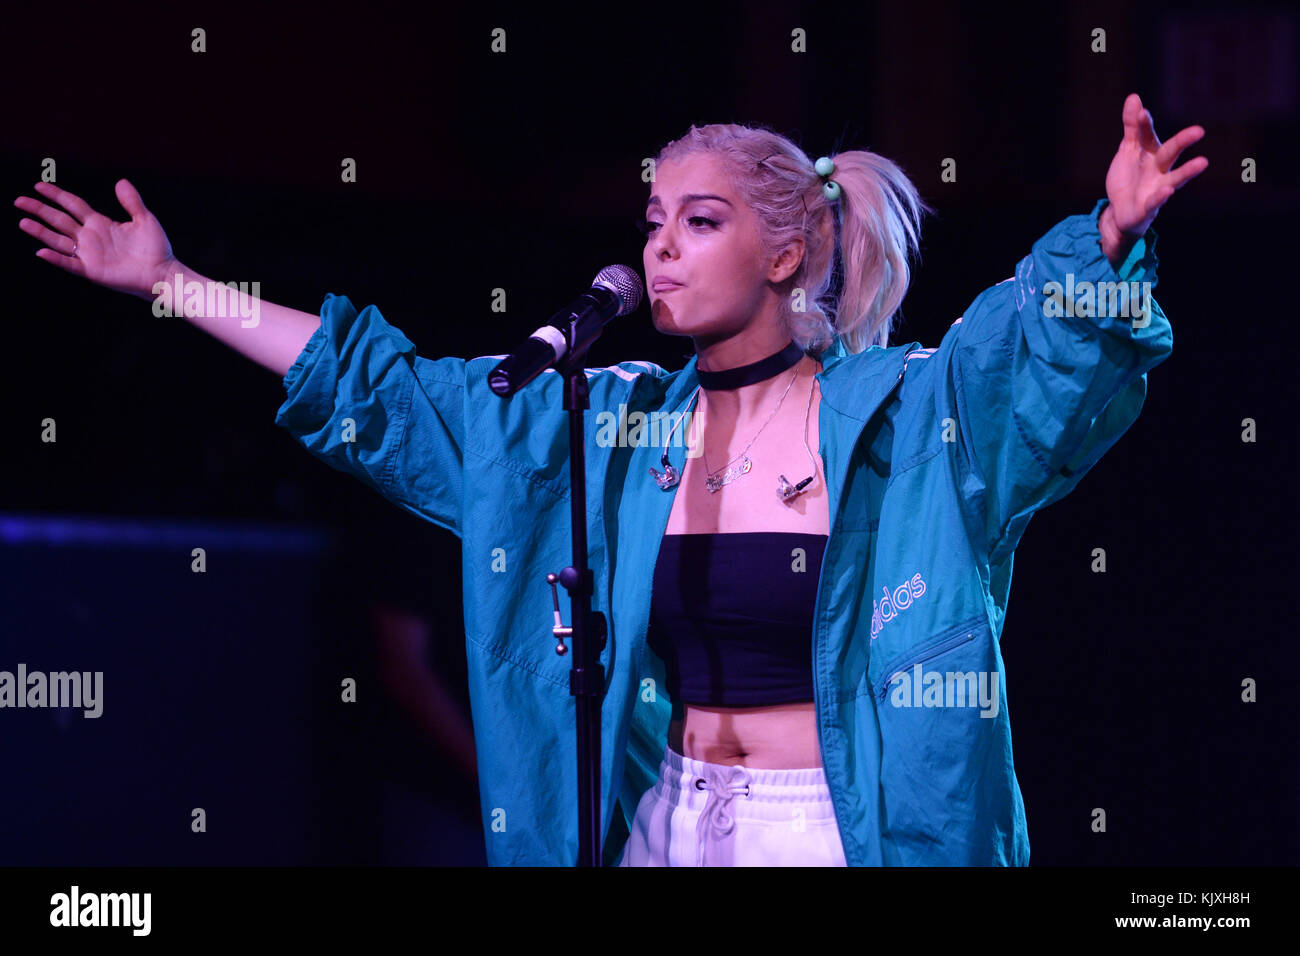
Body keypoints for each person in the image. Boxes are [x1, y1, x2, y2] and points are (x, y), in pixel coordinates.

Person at [13, 93, 1207, 866]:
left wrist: (1105, 238)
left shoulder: (899, 417)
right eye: (652, 222)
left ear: (785, 250)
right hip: (664, 823)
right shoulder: (612, 427)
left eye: (698, 222)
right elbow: (385, 389)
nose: (659, 250)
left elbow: (1029, 357)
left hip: (841, 831)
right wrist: (172, 284)